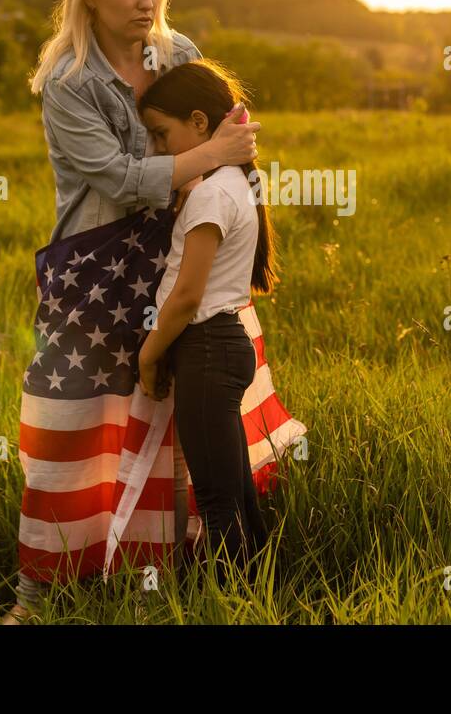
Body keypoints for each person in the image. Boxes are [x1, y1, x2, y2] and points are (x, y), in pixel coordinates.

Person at [1, 0, 260, 625]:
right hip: (93, 267)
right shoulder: (69, 81)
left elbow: (234, 154)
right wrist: (209, 156)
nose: (147, 1)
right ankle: (37, 591)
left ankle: (168, 576)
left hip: (181, 255)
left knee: (182, 417)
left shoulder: (180, 55)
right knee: (75, 421)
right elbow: (119, 177)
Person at [136, 58, 279, 587]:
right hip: (226, 344)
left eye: (161, 133)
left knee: (218, 503)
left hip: (207, 349)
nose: (158, 148)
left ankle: (234, 601)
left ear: (199, 123)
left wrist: (150, 356)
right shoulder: (232, 181)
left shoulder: (213, 195)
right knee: (237, 492)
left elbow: (185, 296)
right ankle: (267, 594)